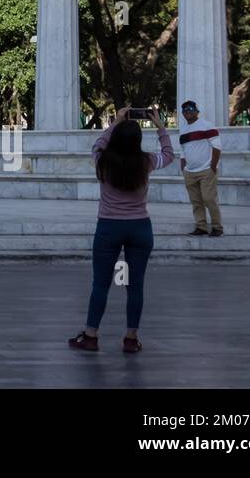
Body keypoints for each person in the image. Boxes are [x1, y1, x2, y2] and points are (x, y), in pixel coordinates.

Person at [69, 108, 174, 354]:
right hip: (140, 228)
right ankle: (130, 337)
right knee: (135, 285)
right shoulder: (146, 161)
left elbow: (98, 144)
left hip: (109, 227)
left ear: (116, 137)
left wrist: (116, 121)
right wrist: (159, 126)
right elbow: (169, 154)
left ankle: (91, 335)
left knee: (101, 284)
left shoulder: (102, 160)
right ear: (138, 141)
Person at [179, 99, 223, 236]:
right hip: (190, 172)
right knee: (196, 202)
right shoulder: (183, 130)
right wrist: (183, 167)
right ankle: (201, 227)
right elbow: (182, 150)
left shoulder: (207, 126)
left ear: (197, 112)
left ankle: (217, 227)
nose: (188, 112)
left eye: (190, 110)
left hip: (206, 170)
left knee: (209, 199)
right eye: (185, 111)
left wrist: (213, 166)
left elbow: (217, 147)